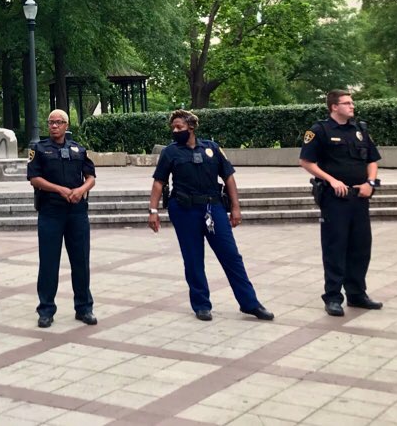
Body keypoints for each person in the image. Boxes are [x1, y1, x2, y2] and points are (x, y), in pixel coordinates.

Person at [148, 109, 274, 322]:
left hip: (213, 208)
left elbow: (229, 178)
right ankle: (201, 305)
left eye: (179, 126)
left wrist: (235, 208)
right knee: (193, 258)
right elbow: (159, 182)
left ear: (191, 127)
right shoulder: (170, 152)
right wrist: (153, 211)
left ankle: (250, 303)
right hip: (184, 209)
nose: (175, 131)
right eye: (173, 127)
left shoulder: (212, 148)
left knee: (231, 256)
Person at [299, 90, 383, 316]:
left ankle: (357, 294)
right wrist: (332, 180)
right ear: (334, 107)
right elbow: (306, 161)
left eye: (352, 102)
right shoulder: (320, 130)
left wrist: (370, 182)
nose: (352, 106)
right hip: (335, 198)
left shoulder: (360, 130)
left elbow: (372, 160)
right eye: (346, 103)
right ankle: (333, 297)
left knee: (361, 247)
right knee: (335, 247)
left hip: (360, 196)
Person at [27, 109, 97, 328]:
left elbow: (91, 177)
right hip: (51, 211)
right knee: (49, 262)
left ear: (67, 125)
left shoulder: (78, 149)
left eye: (59, 122)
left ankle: (84, 308)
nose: (54, 126)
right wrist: (59, 189)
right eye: (51, 122)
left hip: (76, 211)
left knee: (81, 261)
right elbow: (34, 178)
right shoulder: (39, 149)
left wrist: (81, 189)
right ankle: (46, 310)